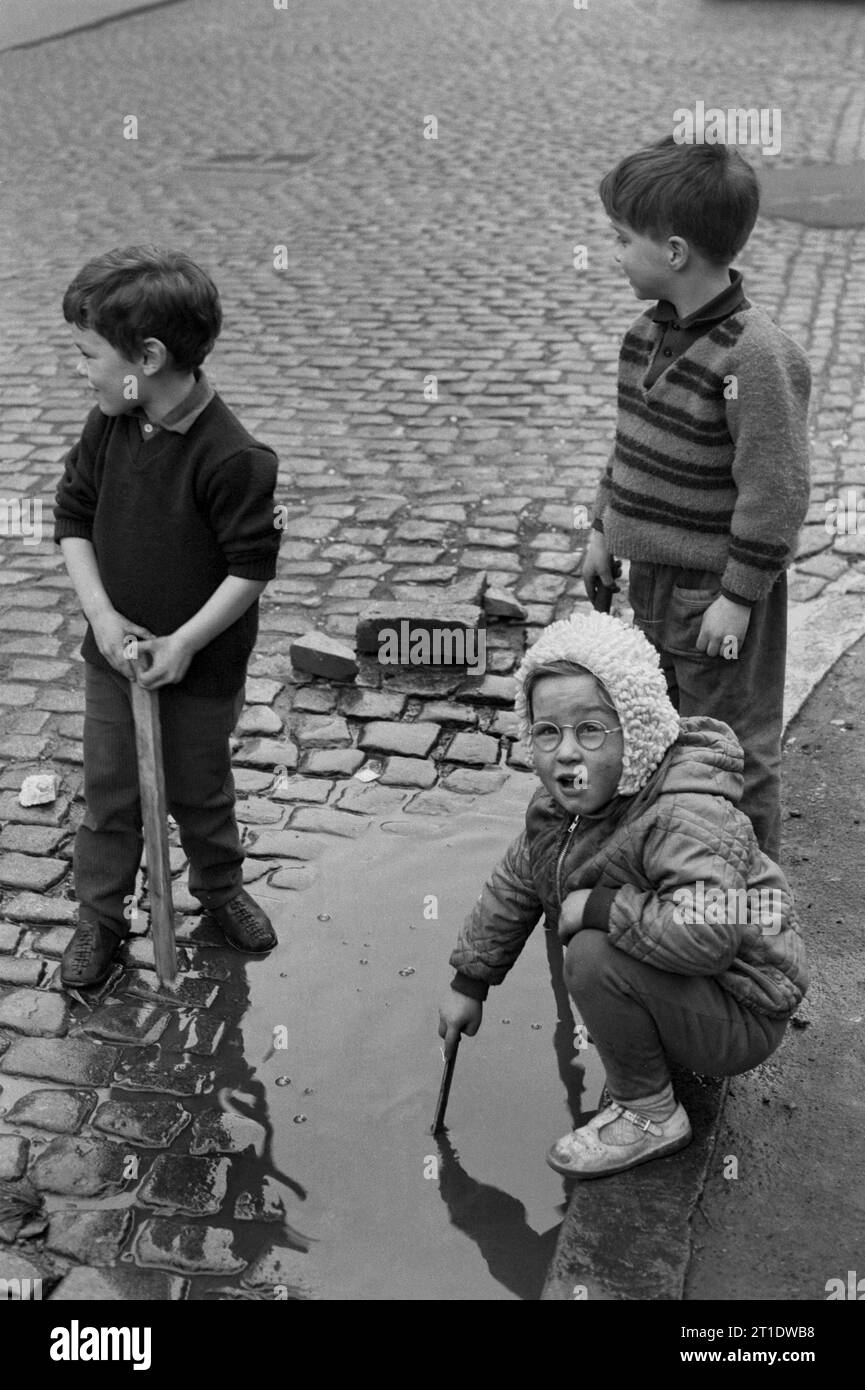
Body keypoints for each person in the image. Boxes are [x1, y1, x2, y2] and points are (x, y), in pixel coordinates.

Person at [438, 612, 808, 1179]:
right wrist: (470, 980)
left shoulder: (686, 811)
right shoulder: (563, 809)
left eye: (590, 730)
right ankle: (648, 1043)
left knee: (589, 952)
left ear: (635, 731)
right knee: (591, 940)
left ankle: (651, 1114)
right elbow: (515, 883)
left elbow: (709, 935)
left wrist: (602, 908)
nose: (566, 753)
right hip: (699, 985)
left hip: (743, 1006)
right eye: (547, 731)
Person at [54, 246, 281, 988]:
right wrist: (104, 617)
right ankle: (100, 917)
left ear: (146, 357)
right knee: (110, 793)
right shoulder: (107, 426)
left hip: (200, 664)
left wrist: (184, 643)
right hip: (113, 660)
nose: (82, 372)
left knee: (200, 789)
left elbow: (250, 567)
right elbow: (73, 519)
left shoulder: (233, 457)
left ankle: (219, 891)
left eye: (88, 354)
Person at [582, 136, 811, 860]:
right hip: (652, 586)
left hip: (717, 595)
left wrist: (738, 596)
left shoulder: (754, 356)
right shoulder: (643, 335)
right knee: (660, 733)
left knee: (732, 754)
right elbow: (628, 448)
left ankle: (748, 904)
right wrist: (601, 530)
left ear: (674, 251)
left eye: (622, 240)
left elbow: (776, 491)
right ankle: (679, 878)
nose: (614, 254)